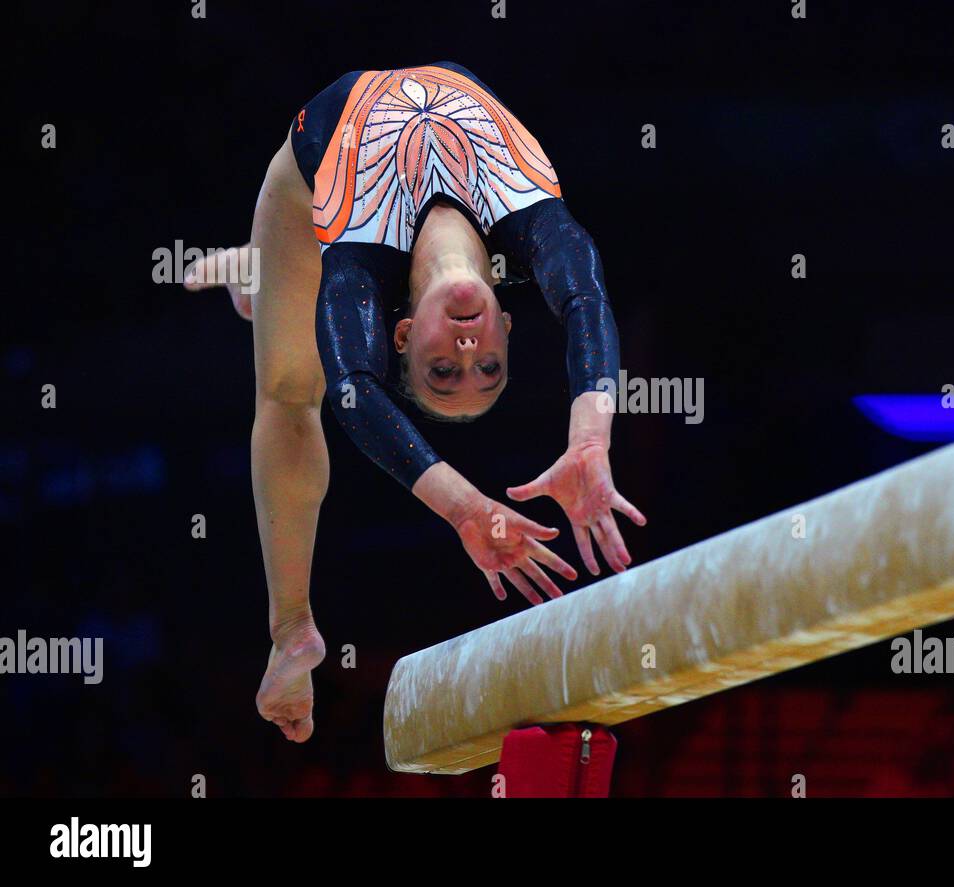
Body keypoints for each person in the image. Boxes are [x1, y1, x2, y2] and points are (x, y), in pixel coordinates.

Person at [185, 62, 645, 743]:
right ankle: (260, 279)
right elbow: (586, 300)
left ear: (402, 334)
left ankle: (290, 629)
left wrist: (465, 509)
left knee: (288, 389)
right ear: (506, 323)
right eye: (486, 366)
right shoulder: (528, 227)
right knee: (289, 301)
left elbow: (349, 391)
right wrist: (590, 441)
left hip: (309, 175)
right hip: (412, 195)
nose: (465, 351)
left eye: (440, 369)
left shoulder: (360, 258)